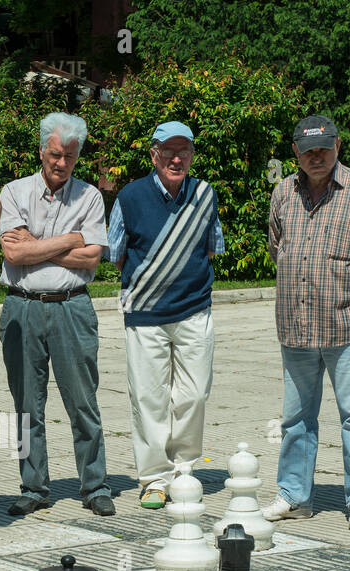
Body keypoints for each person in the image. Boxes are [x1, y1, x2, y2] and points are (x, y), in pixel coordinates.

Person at [264, 115, 350, 530]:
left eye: (324, 147)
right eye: (308, 150)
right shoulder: (282, 193)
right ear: (296, 152)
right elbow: (276, 247)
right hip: (296, 326)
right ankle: (295, 495)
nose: (316, 156)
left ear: (338, 145)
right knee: (295, 418)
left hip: (349, 326)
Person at [0, 112, 113, 517]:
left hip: (72, 307)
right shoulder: (12, 192)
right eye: (54, 154)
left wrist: (38, 243)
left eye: (69, 156)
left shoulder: (91, 197)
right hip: (21, 307)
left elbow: (93, 257)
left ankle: (95, 485)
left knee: (82, 401)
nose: (60, 163)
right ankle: (33, 487)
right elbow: (13, 252)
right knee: (27, 405)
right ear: (41, 149)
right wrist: (70, 240)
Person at [107, 121, 223, 509]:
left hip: (194, 310)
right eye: (168, 151)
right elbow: (116, 253)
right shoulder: (129, 196)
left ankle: (185, 471)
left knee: (194, 394)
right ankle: (155, 478)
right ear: (154, 155)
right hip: (144, 314)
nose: (176, 158)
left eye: (184, 151)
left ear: (191, 154)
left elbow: (210, 248)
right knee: (148, 398)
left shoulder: (206, 194)